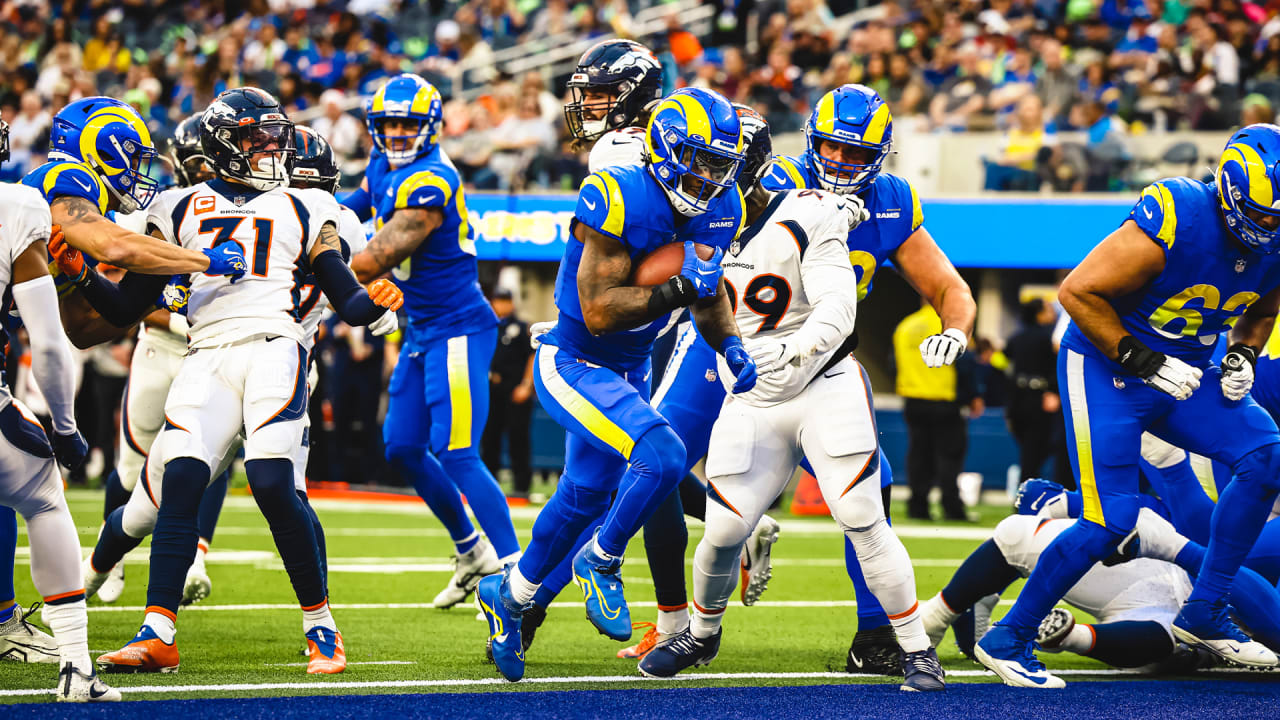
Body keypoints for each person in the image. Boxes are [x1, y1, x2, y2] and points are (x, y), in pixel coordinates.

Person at [651, 83, 976, 676]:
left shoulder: (892, 202)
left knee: (868, 495)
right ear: (810, 142)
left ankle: (876, 635)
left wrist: (956, 327)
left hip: (825, 363)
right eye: (831, 149)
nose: (842, 164)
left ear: (881, 156)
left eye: (857, 155)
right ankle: (676, 621)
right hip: (728, 350)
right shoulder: (766, 183)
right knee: (655, 463)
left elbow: (950, 288)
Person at [74, 88, 400, 675]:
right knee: (180, 479)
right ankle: (157, 631)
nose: (272, 148)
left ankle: (321, 626)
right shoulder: (174, 207)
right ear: (222, 145)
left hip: (275, 345)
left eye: (275, 137)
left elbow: (337, 281)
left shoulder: (306, 204)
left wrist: (371, 307)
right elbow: (126, 305)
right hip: (204, 353)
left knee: (274, 483)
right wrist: (76, 272)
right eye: (257, 138)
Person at [976, 124, 1280, 689]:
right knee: (1110, 520)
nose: (1272, 228)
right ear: (1232, 192)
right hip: (1106, 366)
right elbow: (1077, 291)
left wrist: (1241, 355)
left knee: (1265, 456)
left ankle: (1204, 609)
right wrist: (1140, 358)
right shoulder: (1179, 212)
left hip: (1186, 370)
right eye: (1264, 214)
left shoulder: (1276, 236)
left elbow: (1260, 311)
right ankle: (1008, 636)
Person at [475, 87, 757, 683]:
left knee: (582, 493)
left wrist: (729, 343)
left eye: (719, 164)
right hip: (574, 359)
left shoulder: (723, 203)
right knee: (664, 454)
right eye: (699, 159)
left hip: (632, 365)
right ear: (663, 148)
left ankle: (513, 595)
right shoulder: (615, 191)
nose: (709, 176)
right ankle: (601, 560)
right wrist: (683, 288)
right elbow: (599, 309)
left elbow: (706, 294)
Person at [342, 74, 520, 610]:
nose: (396, 133)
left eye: (407, 123)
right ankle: (471, 551)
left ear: (431, 127)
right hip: (421, 330)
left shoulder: (432, 180)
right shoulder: (381, 168)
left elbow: (372, 259)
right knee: (401, 446)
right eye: (388, 123)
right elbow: (344, 211)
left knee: (458, 451)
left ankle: (516, 575)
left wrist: (300, 262)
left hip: (459, 327)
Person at [87, 114, 233, 607]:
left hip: (209, 354)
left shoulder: (251, 211)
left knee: (204, 461)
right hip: (159, 349)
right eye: (194, 162)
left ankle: (193, 553)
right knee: (131, 472)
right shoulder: (163, 208)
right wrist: (175, 321)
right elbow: (122, 296)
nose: (201, 170)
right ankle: (112, 562)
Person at [0, 114, 117, 702]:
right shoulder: (18, 205)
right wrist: (66, 429)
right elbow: (48, 344)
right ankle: (76, 668)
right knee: (42, 494)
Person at [19, 98, 246, 348]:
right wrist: (207, 260)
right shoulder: (69, 175)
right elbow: (113, 246)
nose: (137, 171)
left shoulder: (89, 224)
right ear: (105, 152)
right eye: (135, 158)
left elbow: (81, 330)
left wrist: (150, 300)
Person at [894, 299, 971, 521]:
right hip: (944, 400)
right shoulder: (951, 327)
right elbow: (964, 363)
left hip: (913, 400)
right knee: (949, 456)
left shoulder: (905, 326)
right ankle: (951, 507)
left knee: (918, 455)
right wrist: (971, 395)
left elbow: (893, 362)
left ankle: (918, 506)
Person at [482, 288, 534, 501]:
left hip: (514, 391)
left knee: (518, 440)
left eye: (505, 301)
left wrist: (526, 385)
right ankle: (488, 485)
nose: (501, 305)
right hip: (491, 391)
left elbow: (532, 356)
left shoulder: (521, 328)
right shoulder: (487, 327)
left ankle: (521, 487)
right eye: (498, 300)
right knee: (489, 439)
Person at [1005, 298, 1062, 483]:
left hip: (1017, 399)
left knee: (1029, 451)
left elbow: (1001, 364)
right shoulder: (1049, 338)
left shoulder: (1015, 338)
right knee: (1036, 450)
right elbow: (1057, 367)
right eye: (1048, 309)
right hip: (1041, 400)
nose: (1053, 313)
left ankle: (1026, 493)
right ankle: (1029, 495)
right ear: (1039, 314)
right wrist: (1053, 391)